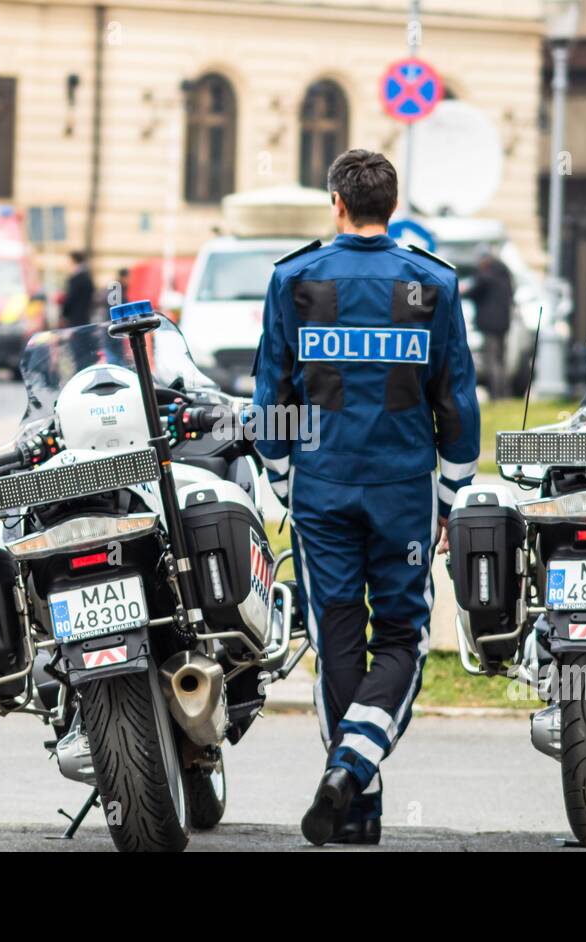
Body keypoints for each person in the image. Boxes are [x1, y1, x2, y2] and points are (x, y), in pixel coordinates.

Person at [252, 149, 480, 846]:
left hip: (323, 489)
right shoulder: (431, 283)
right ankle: (355, 772)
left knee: (337, 636)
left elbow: (272, 399)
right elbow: (459, 401)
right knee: (404, 638)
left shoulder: (293, 279)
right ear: (393, 205)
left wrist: (284, 482)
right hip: (404, 492)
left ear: (337, 204)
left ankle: (352, 794)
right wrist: (450, 495)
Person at [466, 251, 513, 398]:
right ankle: (504, 392)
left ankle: (496, 394)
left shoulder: (485, 276)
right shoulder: (505, 275)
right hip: (504, 322)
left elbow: (472, 292)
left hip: (489, 324)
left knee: (492, 360)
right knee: (500, 359)